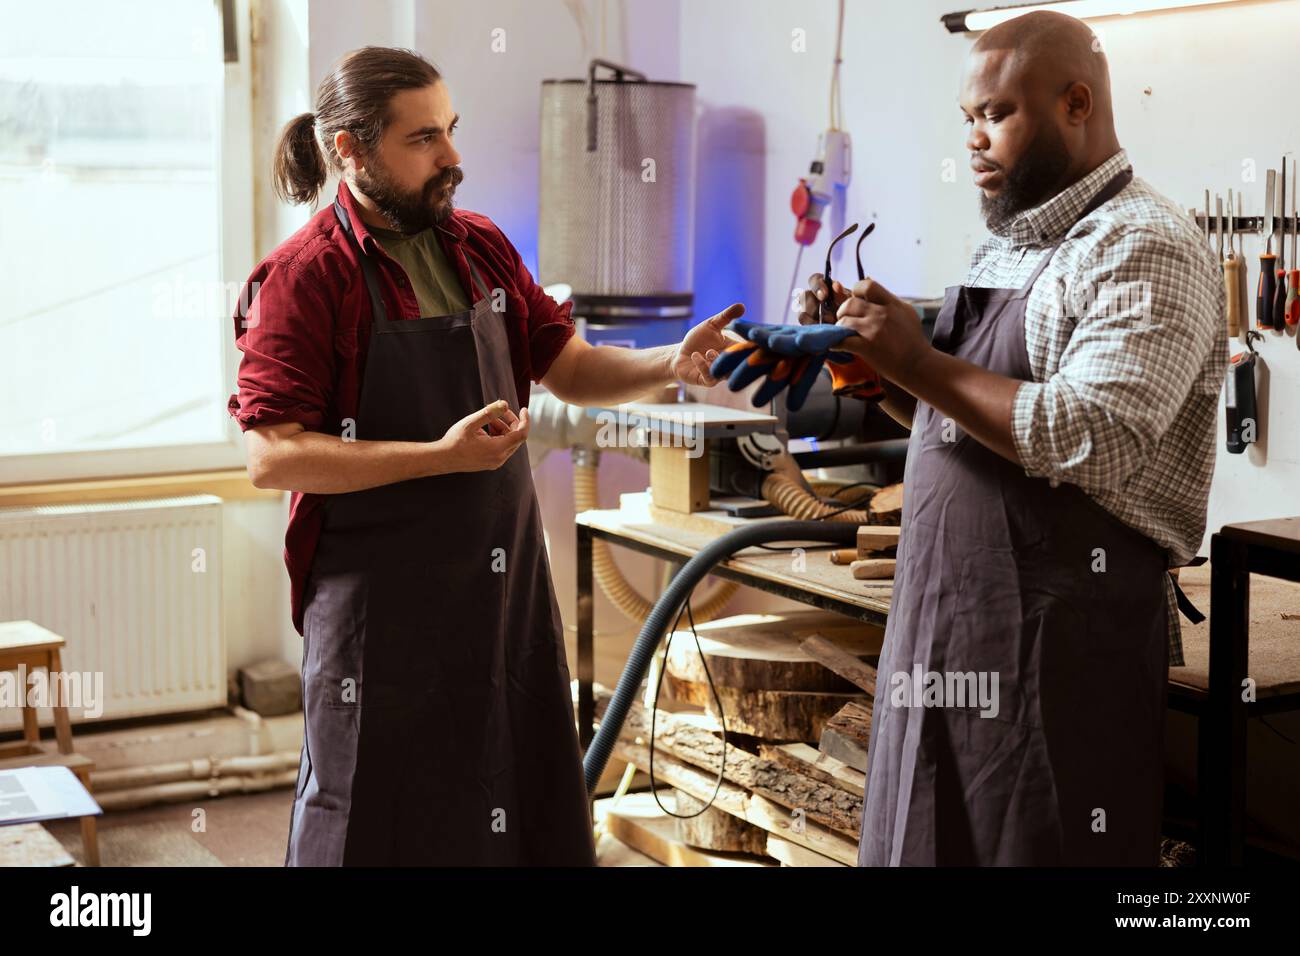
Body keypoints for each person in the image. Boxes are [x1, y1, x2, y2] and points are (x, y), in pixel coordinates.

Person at [227, 46, 740, 866]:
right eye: (422, 139)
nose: (452, 158)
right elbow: (273, 456)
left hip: (499, 587)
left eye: (451, 131)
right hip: (377, 610)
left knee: (510, 787)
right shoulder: (302, 278)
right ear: (349, 151)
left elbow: (565, 364)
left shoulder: (479, 246)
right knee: (372, 811)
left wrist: (667, 362)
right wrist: (438, 456)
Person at [801, 11, 1226, 865]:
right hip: (942, 627)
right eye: (967, 120)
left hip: (1059, 648)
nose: (974, 140)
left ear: (1077, 103)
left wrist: (918, 358)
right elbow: (962, 426)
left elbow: (1092, 435)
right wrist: (865, 369)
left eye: (995, 114)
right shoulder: (1008, 247)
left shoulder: (1146, 244)